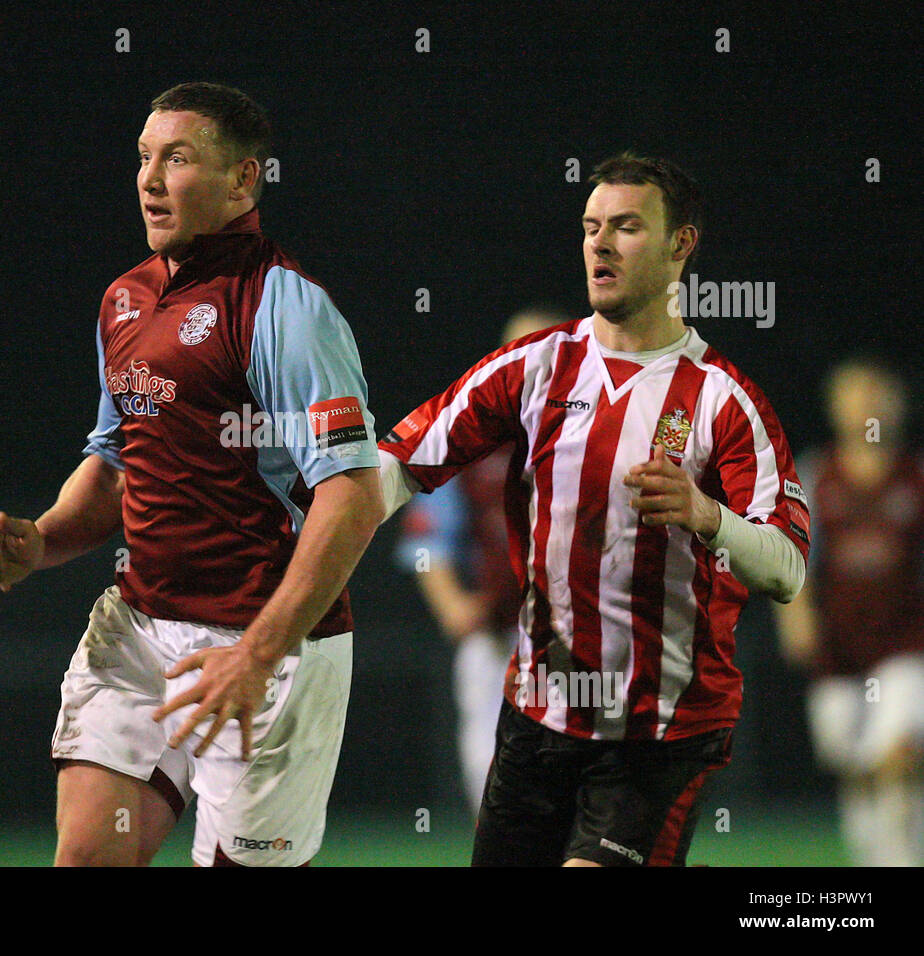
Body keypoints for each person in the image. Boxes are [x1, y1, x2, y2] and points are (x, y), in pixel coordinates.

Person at [0, 82, 383, 867]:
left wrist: (256, 655)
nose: (150, 179)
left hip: (271, 646)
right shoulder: (124, 300)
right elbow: (119, 465)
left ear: (243, 181)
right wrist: (42, 539)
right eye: (144, 158)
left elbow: (353, 497)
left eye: (178, 159)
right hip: (144, 631)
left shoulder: (283, 305)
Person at [375, 152, 810, 866]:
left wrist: (707, 515)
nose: (600, 244)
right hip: (538, 718)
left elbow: (789, 568)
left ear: (682, 246)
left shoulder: (724, 400)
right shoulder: (533, 367)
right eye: (590, 227)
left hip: (657, 735)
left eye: (627, 227)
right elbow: (397, 468)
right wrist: (298, 525)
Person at [394, 308, 564, 816]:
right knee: (494, 775)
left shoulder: (603, 431)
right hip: (499, 633)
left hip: (589, 637)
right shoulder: (473, 438)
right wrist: (453, 605)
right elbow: (426, 535)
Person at [775, 356, 924, 866]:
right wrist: (795, 617)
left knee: (899, 751)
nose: (867, 410)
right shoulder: (817, 477)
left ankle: (903, 856)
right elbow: (790, 558)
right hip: (838, 650)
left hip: (905, 643)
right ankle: (877, 858)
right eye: (855, 399)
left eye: (876, 398)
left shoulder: (915, 479)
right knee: (856, 766)